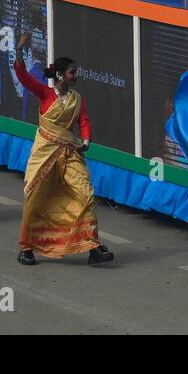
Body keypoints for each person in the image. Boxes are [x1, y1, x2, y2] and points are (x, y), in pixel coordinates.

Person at [12, 32, 112, 266]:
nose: (76, 76)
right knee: (35, 197)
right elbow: (24, 77)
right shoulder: (45, 94)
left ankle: (92, 246)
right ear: (60, 75)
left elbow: (84, 121)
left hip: (70, 153)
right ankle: (27, 248)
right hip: (44, 153)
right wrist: (18, 51)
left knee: (85, 194)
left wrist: (85, 141)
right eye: (72, 72)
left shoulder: (77, 98)